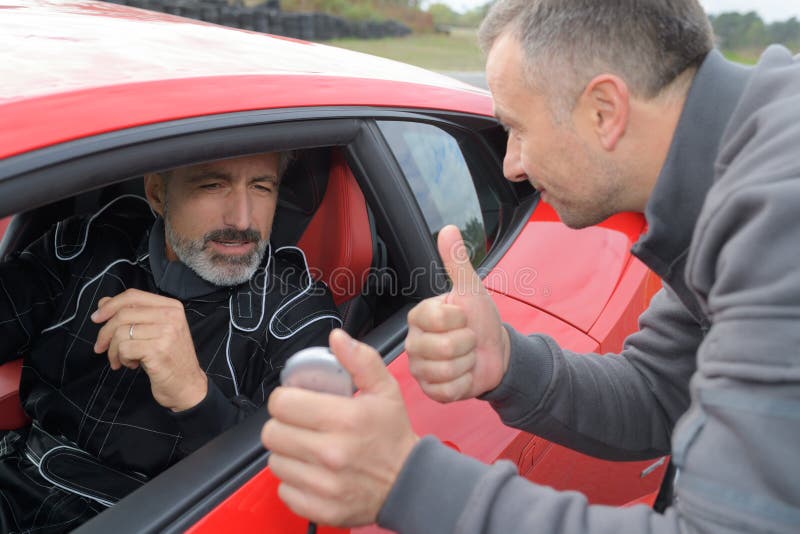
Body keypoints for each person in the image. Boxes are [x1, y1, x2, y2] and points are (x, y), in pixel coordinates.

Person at [261, 0, 800, 532]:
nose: (510, 165)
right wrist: (509, 364)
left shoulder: (779, 215)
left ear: (604, 112)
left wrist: (405, 482)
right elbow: (662, 395)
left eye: (516, 129)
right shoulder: (738, 170)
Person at [0, 152, 341, 532]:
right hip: (19, 474)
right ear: (158, 194)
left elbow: (297, 485)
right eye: (212, 185)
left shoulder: (298, 312)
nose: (243, 220)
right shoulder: (91, 242)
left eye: (262, 187)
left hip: (157, 519)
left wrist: (194, 394)